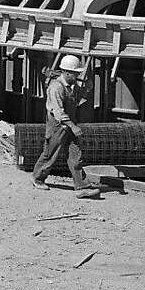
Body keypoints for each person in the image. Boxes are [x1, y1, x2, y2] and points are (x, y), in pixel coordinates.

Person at [31, 55, 101, 198]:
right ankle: (37, 178)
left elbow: (80, 97)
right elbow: (58, 112)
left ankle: (82, 186)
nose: (77, 75)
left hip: (69, 124)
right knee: (50, 154)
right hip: (57, 125)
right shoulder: (56, 87)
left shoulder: (72, 86)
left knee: (75, 154)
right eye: (75, 73)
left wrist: (88, 86)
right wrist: (73, 127)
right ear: (67, 72)